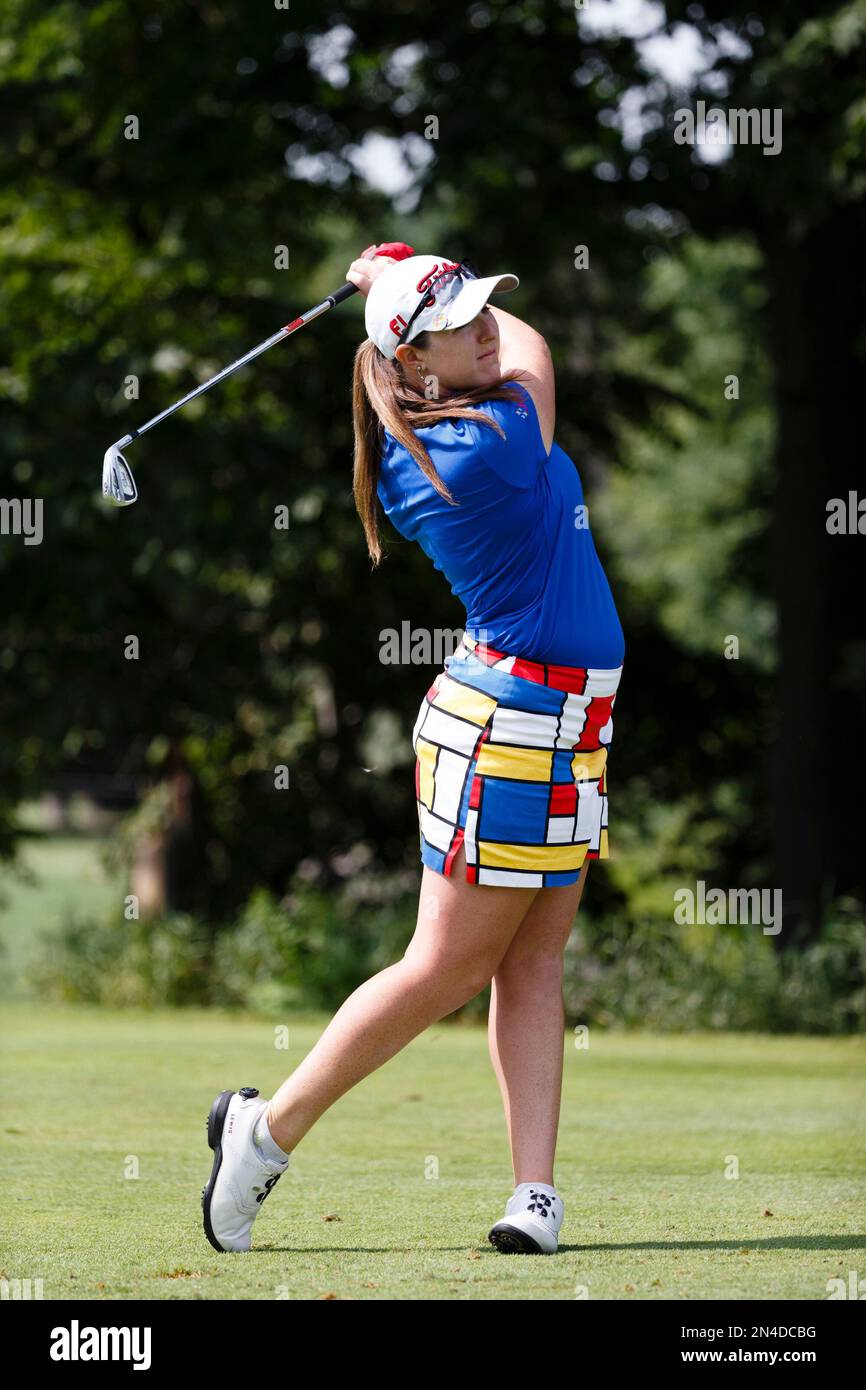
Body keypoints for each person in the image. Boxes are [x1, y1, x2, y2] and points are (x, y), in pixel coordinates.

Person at [201, 245, 625, 1258]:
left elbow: (506, 350)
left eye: (484, 309)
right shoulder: (482, 442)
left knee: (531, 963)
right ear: (415, 367)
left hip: (562, 721)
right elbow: (536, 358)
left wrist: (396, 284)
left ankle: (533, 1195)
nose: (488, 324)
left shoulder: (444, 424)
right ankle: (265, 1133)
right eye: (461, 319)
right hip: (511, 725)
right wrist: (402, 265)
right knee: (445, 964)